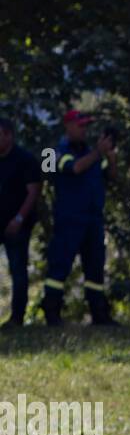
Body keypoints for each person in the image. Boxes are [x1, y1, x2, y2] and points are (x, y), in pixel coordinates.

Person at [42, 111, 118, 327]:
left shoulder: (90, 152)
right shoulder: (56, 151)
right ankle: (52, 314)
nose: (84, 130)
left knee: (95, 269)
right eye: (80, 126)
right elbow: (74, 168)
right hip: (68, 220)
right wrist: (98, 152)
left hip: (93, 220)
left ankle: (99, 315)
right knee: (59, 268)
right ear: (68, 126)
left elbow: (110, 177)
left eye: (86, 126)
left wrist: (111, 160)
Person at [0, 118, 42, 330]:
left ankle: (17, 318)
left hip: (18, 227)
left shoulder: (25, 160)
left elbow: (33, 192)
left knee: (18, 272)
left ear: (8, 135)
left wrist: (18, 219)